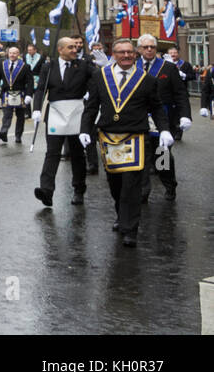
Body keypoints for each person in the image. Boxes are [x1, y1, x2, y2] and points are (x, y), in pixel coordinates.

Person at [81, 38, 171, 247]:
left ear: (135, 54)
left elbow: (157, 107)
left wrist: (164, 129)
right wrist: (85, 130)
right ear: (114, 55)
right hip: (109, 137)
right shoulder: (100, 77)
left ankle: (130, 228)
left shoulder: (146, 79)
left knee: (132, 184)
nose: (126, 56)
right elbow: (92, 106)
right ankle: (121, 214)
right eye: (121, 52)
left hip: (136, 137)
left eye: (130, 52)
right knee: (116, 184)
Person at [31, 36, 94, 208]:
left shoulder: (82, 65)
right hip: (56, 113)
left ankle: (79, 189)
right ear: (60, 50)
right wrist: (36, 109)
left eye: (76, 47)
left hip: (76, 112)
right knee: (52, 153)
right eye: (71, 47)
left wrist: (100, 64)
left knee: (77, 154)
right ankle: (46, 190)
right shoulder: (48, 67)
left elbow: (97, 78)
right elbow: (41, 89)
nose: (75, 50)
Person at [135, 34, 189, 201]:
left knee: (161, 155)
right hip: (139, 118)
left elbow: (180, 93)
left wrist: (185, 116)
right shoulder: (132, 66)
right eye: (145, 47)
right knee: (141, 155)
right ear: (139, 49)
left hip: (163, 118)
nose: (149, 49)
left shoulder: (168, 67)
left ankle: (169, 184)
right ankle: (143, 191)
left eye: (152, 47)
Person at [0, 43, 33, 144]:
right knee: (6, 115)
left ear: (18, 54)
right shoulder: (2, 64)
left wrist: (29, 95)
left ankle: (18, 135)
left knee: (20, 117)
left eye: (15, 53)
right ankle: (3, 132)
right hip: (6, 94)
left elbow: (30, 82)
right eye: (11, 53)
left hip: (20, 94)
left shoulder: (25, 66)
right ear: (8, 53)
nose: (12, 55)